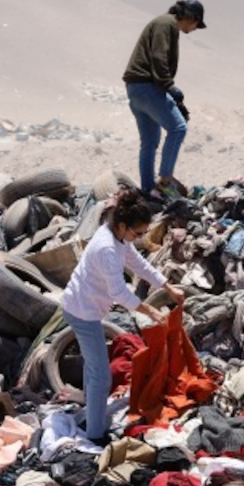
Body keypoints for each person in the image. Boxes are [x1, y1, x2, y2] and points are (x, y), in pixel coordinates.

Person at [61, 188, 185, 443]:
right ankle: (95, 434)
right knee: (101, 375)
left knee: (94, 368)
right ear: (121, 225)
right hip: (82, 311)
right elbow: (118, 292)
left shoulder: (118, 238)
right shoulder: (106, 247)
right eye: (137, 233)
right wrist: (150, 310)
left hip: (88, 307)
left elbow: (138, 262)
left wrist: (167, 286)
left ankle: (90, 414)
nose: (139, 237)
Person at [122, 0, 207, 199]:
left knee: (150, 141)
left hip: (135, 89)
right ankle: (164, 183)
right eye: (196, 24)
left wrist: (172, 95)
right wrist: (169, 87)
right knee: (178, 128)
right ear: (191, 18)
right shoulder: (166, 23)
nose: (195, 29)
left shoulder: (166, 24)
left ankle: (148, 191)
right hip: (147, 86)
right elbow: (158, 57)